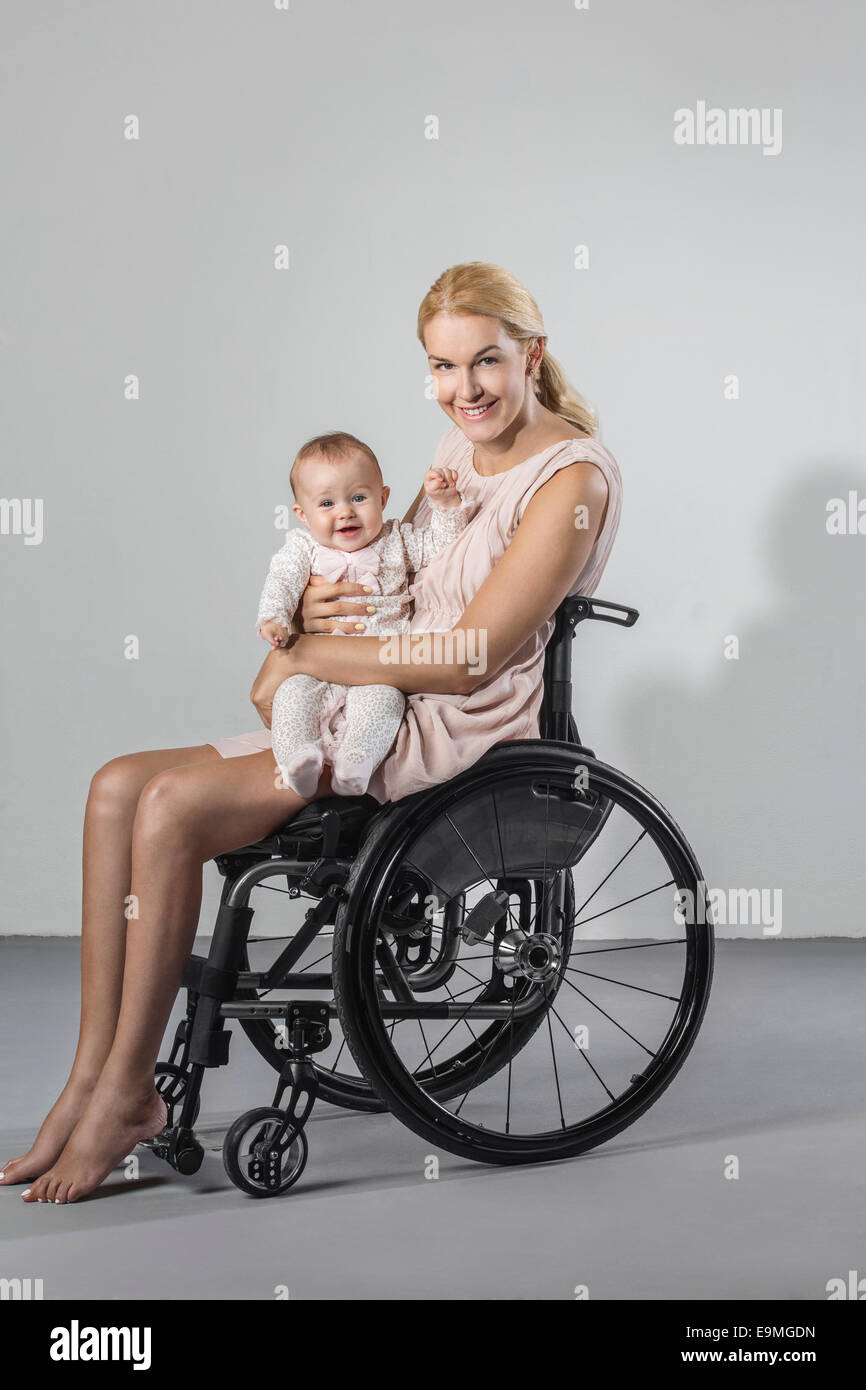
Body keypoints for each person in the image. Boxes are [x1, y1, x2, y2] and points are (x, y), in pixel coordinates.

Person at [2, 260, 622, 1204]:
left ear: (532, 354)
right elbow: (387, 578)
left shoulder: (570, 477)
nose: (463, 391)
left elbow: (467, 657)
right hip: (380, 685)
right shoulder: (458, 460)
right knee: (115, 785)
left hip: (452, 725)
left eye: (485, 362)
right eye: (442, 368)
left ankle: (129, 1095)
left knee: (169, 807)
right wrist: (310, 622)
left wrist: (306, 661)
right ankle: (88, 1078)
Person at [255, 431, 472, 797]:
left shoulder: (397, 541)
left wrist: (445, 505)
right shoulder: (302, 548)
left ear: (383, 498)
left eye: (358, 497)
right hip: (319, 664)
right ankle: (299, 758)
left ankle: (355, 763)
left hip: (378, 665)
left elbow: (440, 547)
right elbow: (282, 581)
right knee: (291, 693)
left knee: (385, 703)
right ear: (302, 515)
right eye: (326, 504)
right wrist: (274, 618)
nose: (345, 512)